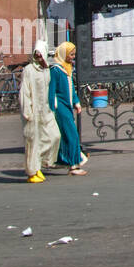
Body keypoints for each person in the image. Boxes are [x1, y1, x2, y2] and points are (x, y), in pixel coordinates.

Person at [19, 40, 60, 183]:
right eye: (37, 54)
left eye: (41, 54)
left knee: (54, 136)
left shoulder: (47, 70)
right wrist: (27, 111)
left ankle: (42, 163)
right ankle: (33, 171)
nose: (39, 57)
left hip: (45, 110)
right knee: (33, 142)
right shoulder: (28, 70)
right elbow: (25, 92)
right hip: (32, 112)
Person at [49, 42, 88, 176]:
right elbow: (51, 90)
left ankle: (67, 161)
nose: (73, 57)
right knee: (72, 135)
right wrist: (52, 105)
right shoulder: (56, 70)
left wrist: (76, 102)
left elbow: (71, 89)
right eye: (71, 54)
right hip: (60, 108)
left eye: (73, 54)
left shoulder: (67, 69)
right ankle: (73, 165)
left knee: (67, 135)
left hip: (67, 106)